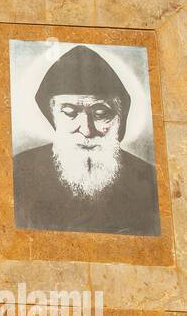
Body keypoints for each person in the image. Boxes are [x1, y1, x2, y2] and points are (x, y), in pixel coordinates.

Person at [12, 44, 160, 236]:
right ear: (52, 115)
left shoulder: (149, 181)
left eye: (100, 113)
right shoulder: (18, 173)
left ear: (119, 117)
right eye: (70, 112)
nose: (87, 130)